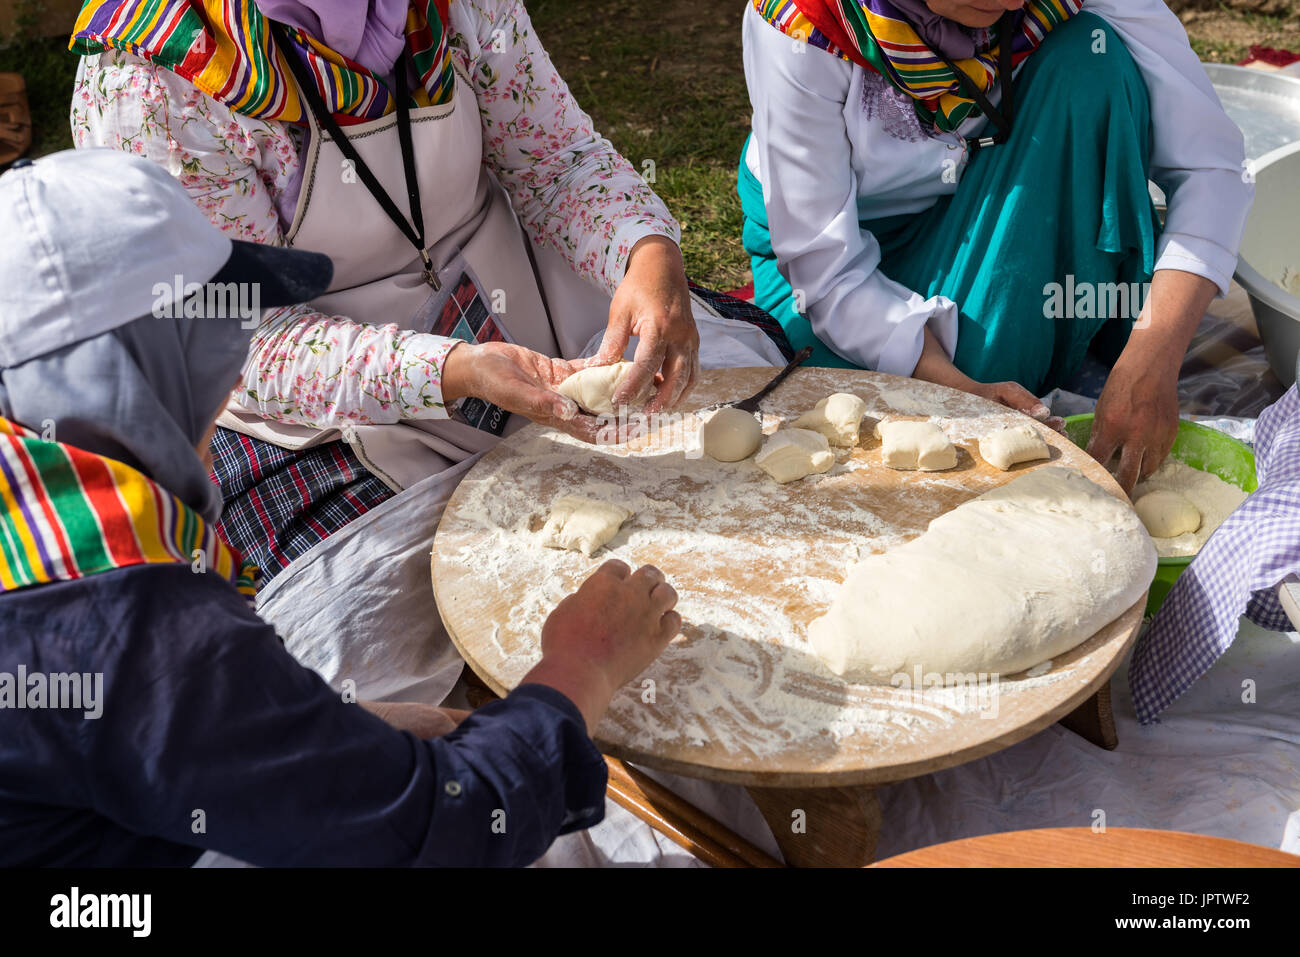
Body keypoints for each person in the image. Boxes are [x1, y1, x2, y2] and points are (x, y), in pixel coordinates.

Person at [68, 0, 790, 705]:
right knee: (340, 656)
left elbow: (558, 161)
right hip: (336, 403)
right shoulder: (154, 78)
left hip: (523, 292)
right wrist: (447, 371)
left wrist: (646, 250)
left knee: (741, 410)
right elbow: (242, 336)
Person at [0, 148, 683, 867]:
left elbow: (137, 746)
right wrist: (583, 665)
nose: (232, 379)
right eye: (214, 347)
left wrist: (331, 733)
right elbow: (449, 829)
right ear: (151, 372)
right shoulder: (131, 627)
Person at [739, 0, 1254, 491]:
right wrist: (965, 390)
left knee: (1093, 55)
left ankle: (1083, 330)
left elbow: (1211, 166)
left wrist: (1154, 354)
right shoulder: (802, 21)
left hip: (981, 188)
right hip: (825, 260)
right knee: (966, 410)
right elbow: (826, 270)